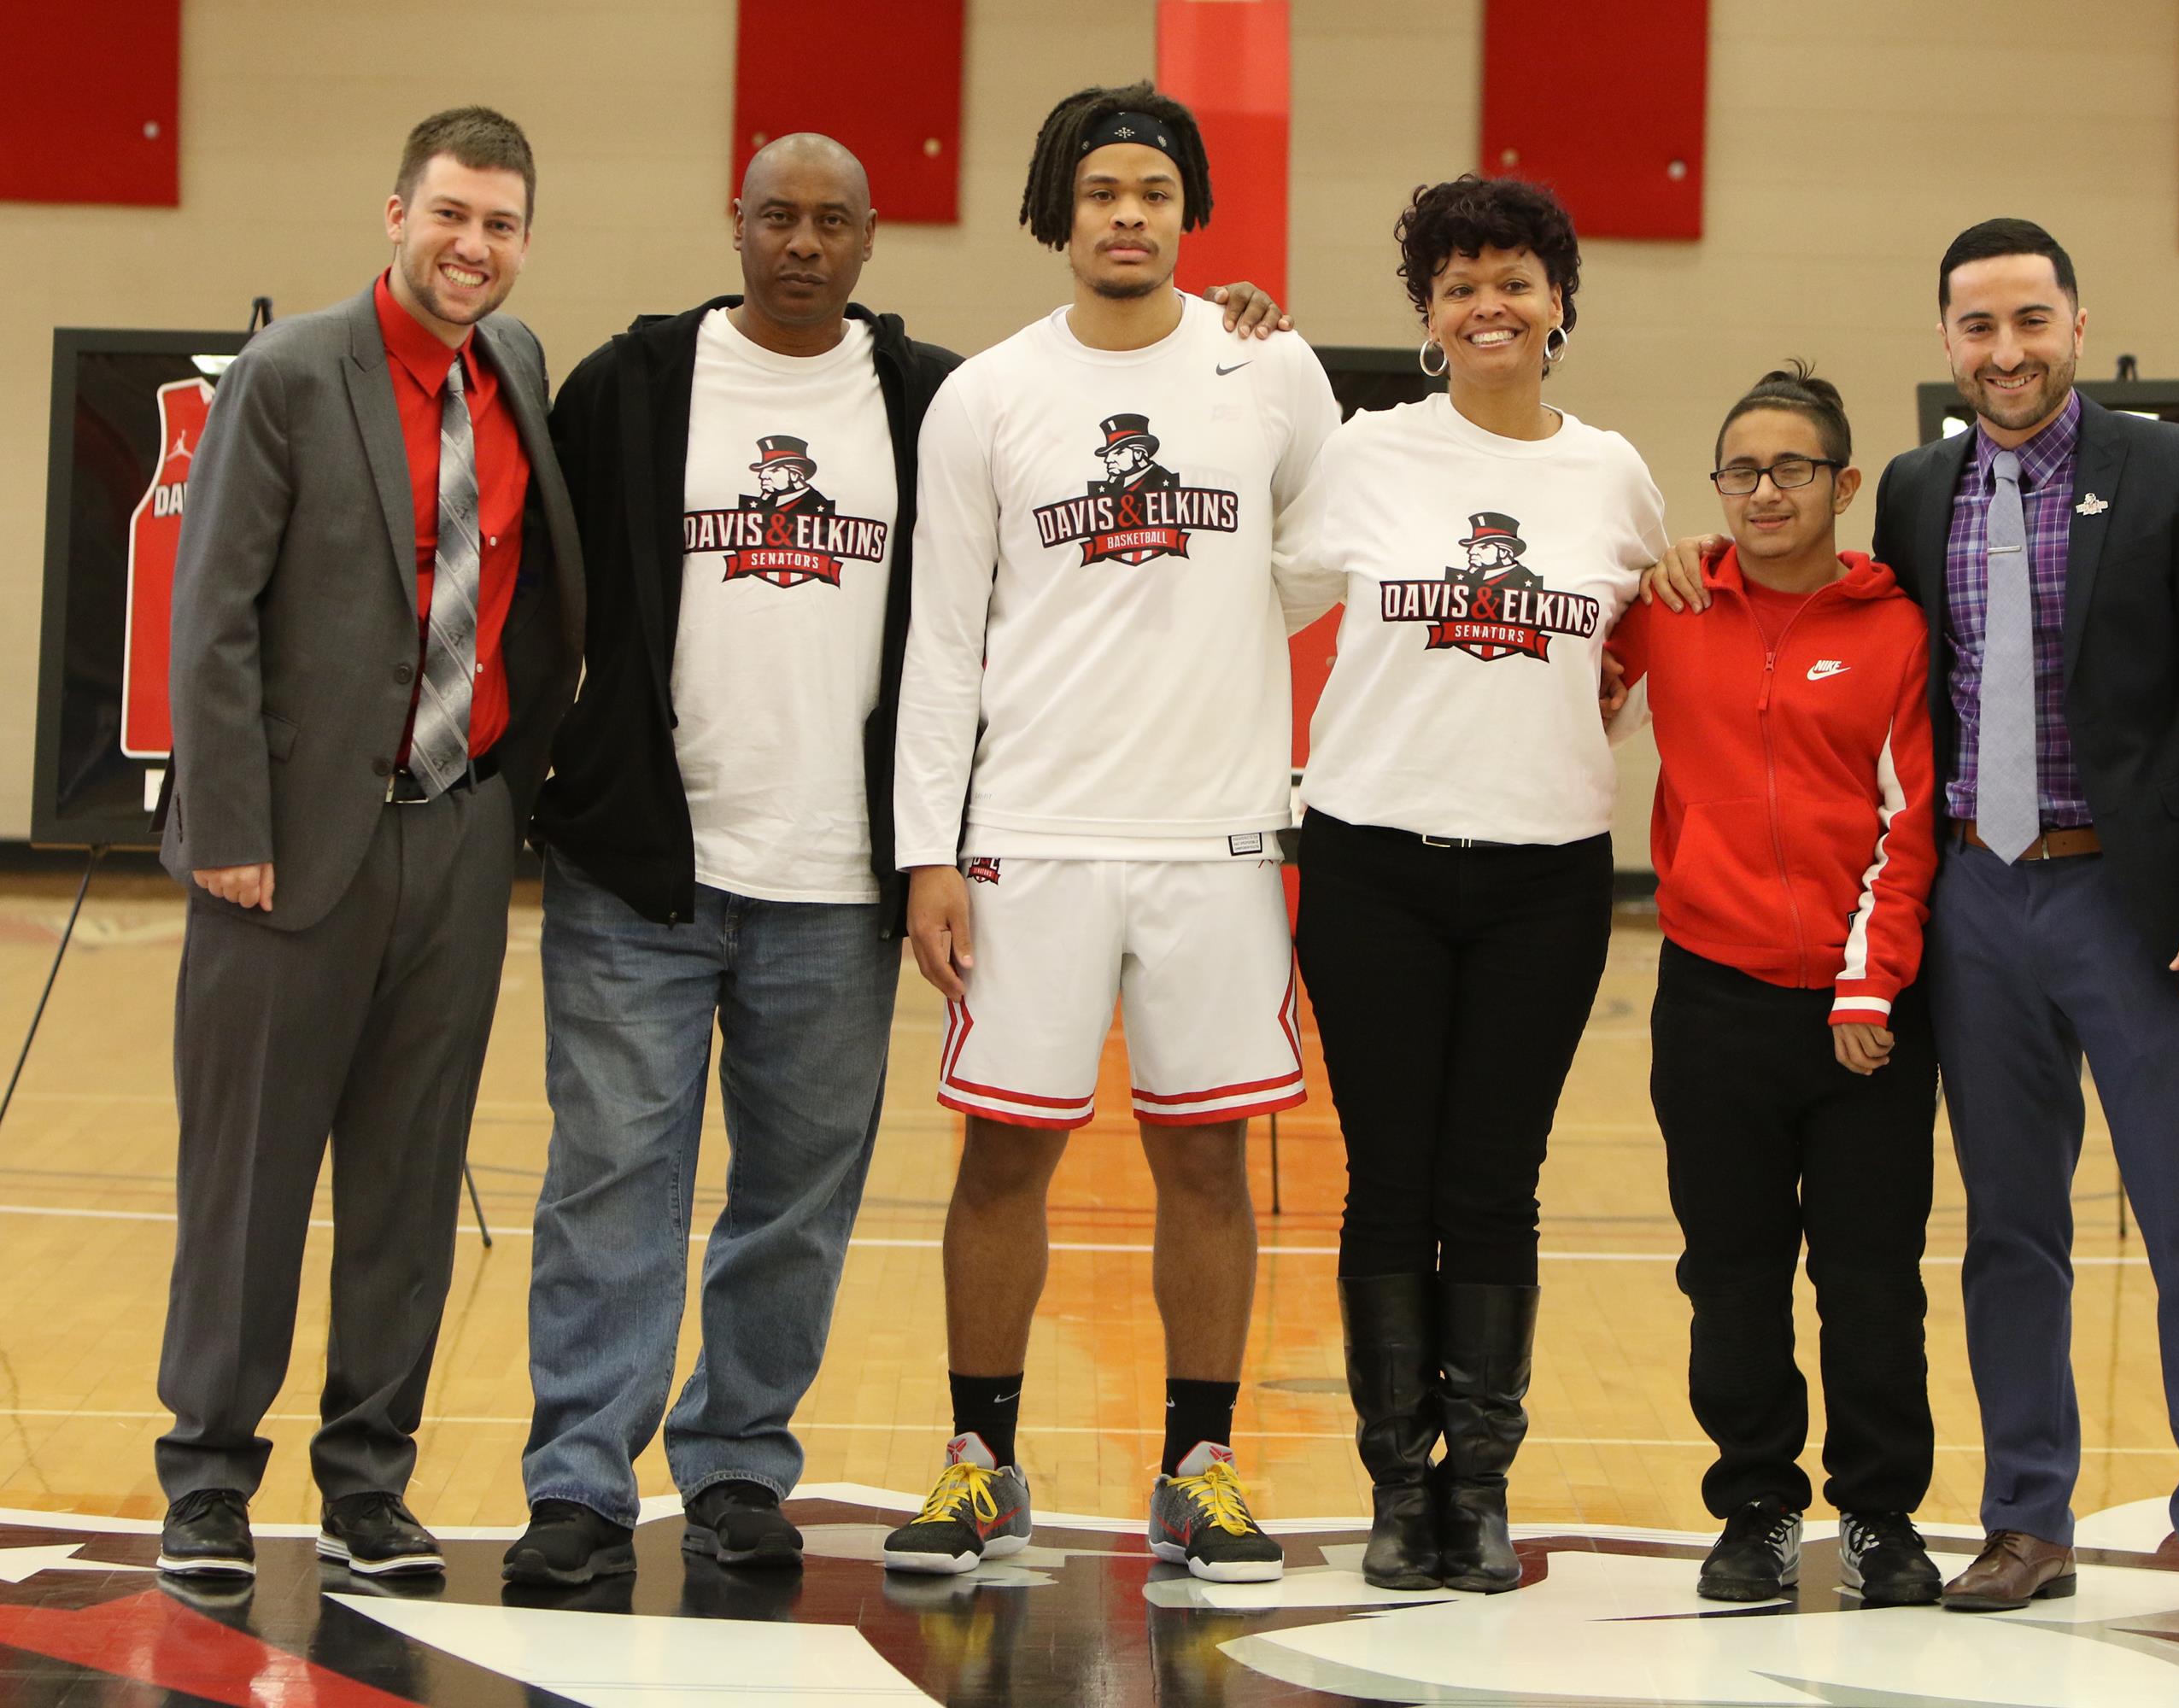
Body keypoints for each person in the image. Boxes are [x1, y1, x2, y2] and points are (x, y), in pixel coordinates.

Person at [503, 134, 1288, 1588]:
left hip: (838, 881)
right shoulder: (633, 385)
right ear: (732, 222)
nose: (803, 242)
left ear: (873, 241)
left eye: (833, 222)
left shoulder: (928, 396)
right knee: (613, 1182)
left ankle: (739, 1467)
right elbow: (540, 582)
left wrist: (921, 848)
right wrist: (555, 776)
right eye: (777, 218)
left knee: (794, 1200)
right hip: (646, 869)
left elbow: (959, 633)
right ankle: (580, 1486)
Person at [1651, 219, 2179, 1635]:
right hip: (1976, 903)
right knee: (2010, 1228)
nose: (2004, 351)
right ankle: (2025, 1520)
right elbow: (1834, 608)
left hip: (2138, 906)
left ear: (2074, 323)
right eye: (1976, 327)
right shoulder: (1913, 486)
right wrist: (1699, 561)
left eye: (2029, 322)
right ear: (1946, 342)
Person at [889, 82, 1339, 1585]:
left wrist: (1214, 631)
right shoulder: (987, 394)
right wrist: (929, 851)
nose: (1127, 214)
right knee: (1003, 1160)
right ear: (1058, 213)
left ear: (1185, 207)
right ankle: (980, 1461)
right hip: (1031, 829)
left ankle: (1197, 1466)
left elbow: (1326, 557)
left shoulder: (1269, 373)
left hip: (1213, 833)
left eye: (1152, 189)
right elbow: (944, 639)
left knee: (1206, 1163)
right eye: (1100, 193)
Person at [152, 107, 583, 1578]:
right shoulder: (287, 375)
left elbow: (530, 595)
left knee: (411, 1182)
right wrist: (227, 828)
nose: (474, 248)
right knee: (251, 1180)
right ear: (394, 211)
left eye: (502, 225)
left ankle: (366, 1487)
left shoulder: (515, 370)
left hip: (455, 839)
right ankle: (208, 1479)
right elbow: (207, 617)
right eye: (451, 215)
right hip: (286, 851)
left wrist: (507, 803)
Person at [1277, 175, 1667, 1593]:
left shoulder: (1614, 476)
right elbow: (1251, 601)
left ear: (1559, 300)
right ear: (1429, 317)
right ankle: (1396, 1488)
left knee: (1498, 1183)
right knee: (1389, 1178)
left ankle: (1481, 1489)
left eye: (1512, 279)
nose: (1488, 305)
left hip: (1546, 873)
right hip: (1372, 855)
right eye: (1458, 286)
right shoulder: (1371, 454)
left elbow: (1637, 650)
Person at [1611, 366, 1941, 1606]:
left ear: (1845, 485)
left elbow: (1909, 829)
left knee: (1869, 1277)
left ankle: (1878, 1519)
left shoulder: (1897, 631)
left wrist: (1867, 992)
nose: (1764, 491)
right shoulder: (1671, 606)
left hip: (1864, 1022)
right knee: (1731, 1273)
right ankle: (1754, 1508)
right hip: (1712, 1003)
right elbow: (1566, 682)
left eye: (1793, 469)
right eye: (1740, 471)